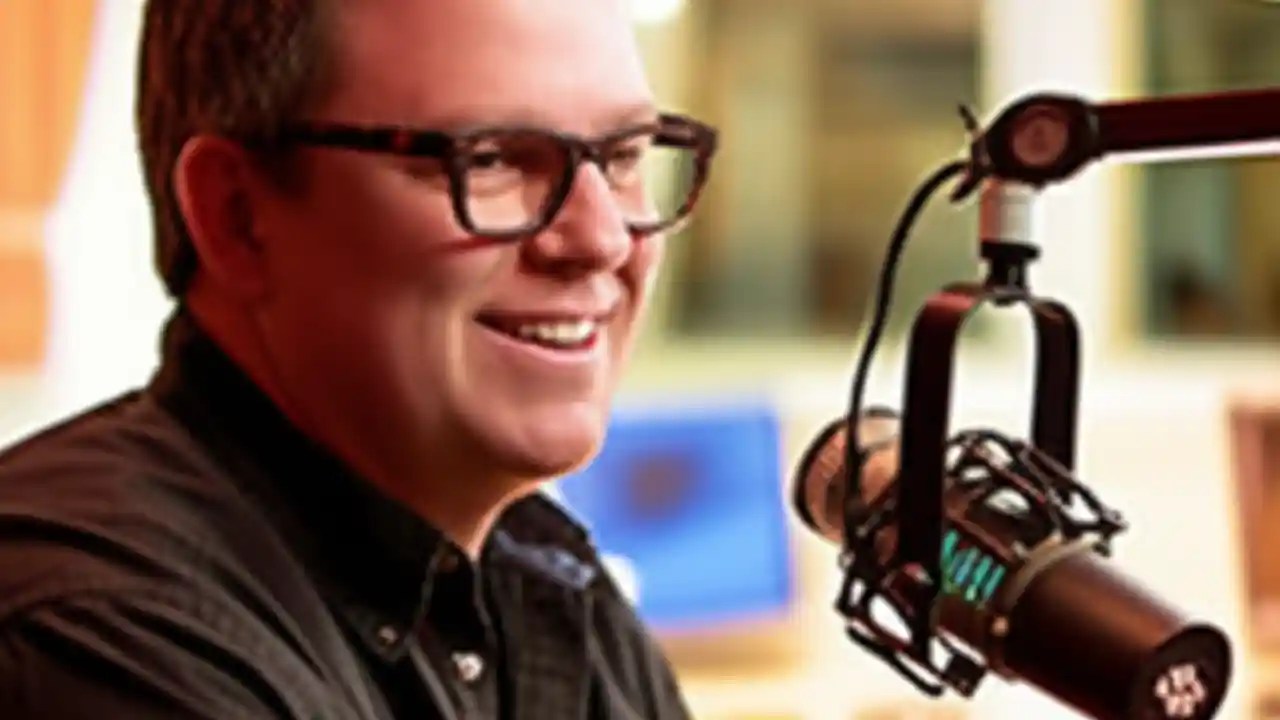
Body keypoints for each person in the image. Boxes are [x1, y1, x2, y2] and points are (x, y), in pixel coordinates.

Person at [0, 0, 718, 717]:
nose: (602, 240)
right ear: (237, 216)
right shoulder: (98, 632)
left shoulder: (537, 577)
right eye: (492, 159)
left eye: (623, 156)